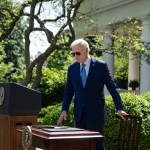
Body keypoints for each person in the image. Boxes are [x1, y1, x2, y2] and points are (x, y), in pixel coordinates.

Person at [57, 38, 127, 150]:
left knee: (97, 145)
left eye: (78, 53)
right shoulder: (72, 69)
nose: (75, 56)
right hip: (79, 114)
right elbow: (68, 92)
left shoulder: (100, 66)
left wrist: (119, 108)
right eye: (73, 54)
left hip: (96, 114)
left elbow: (112, 88)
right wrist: (64, 109)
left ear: (86, 50)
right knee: (81, 145)